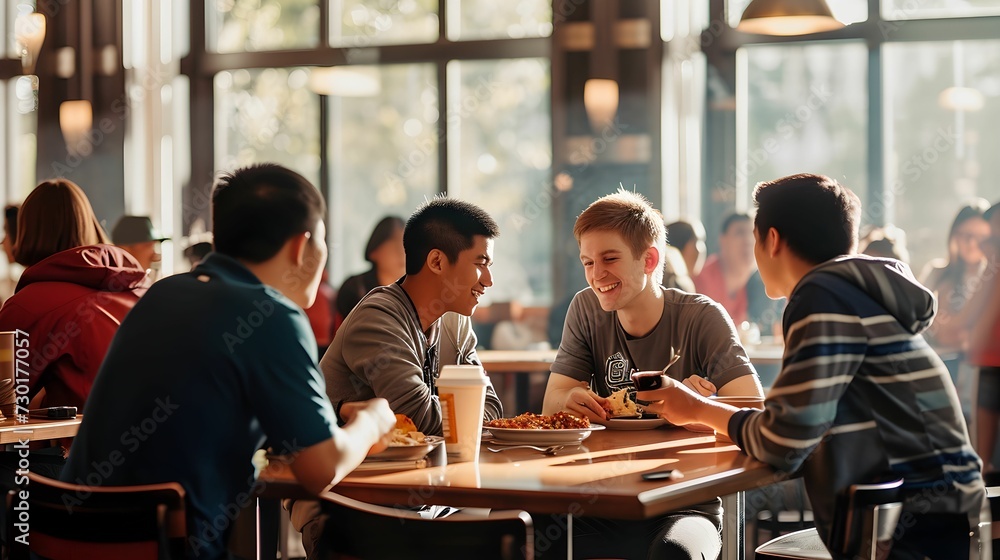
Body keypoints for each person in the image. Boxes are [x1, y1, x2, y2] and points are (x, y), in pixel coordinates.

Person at [640, 173, 986, 558]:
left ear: (771, 239)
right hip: (941, 505)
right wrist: (715, 413)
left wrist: (698, 409)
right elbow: (799, 419)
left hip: (911, 524)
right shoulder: (856, 293)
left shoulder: (821, 297)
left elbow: (783, 444)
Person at [60, 164, 395, 560]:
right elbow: (321, 469)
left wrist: (332, 417)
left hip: (62, 538)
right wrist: (373, 421)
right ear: (301, 246)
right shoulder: (271, 315)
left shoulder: (163, 294)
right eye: (323, 240)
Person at [542, 189, 763, 560]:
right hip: (603, 497)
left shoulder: (701, 317)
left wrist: (699, 405)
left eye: (609, 259)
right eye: (588, 262)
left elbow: (754, 409)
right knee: (526, 531)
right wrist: (568, 400)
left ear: (649, 259)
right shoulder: (585, 309)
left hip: (687, 504)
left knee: (674, 553)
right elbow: (552, 402)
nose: (597, 275)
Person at [0, 179, 149, 412]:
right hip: (158, 439)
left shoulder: (29, 306)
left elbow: (5, 397)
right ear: (89, 224)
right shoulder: (139, 291)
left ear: (27, 231)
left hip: (80, 445)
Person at [335, 215, 406, 319]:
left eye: (406, 247)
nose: (402, 253)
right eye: (396, 246)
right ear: (374, 251)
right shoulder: (354, 289)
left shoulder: (416, 291)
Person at [693, 213, 758, 326]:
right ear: (722, 240)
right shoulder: (702, 280)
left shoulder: (758, 285)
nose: (748, 241)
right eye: (740, 233)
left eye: (753, 234)